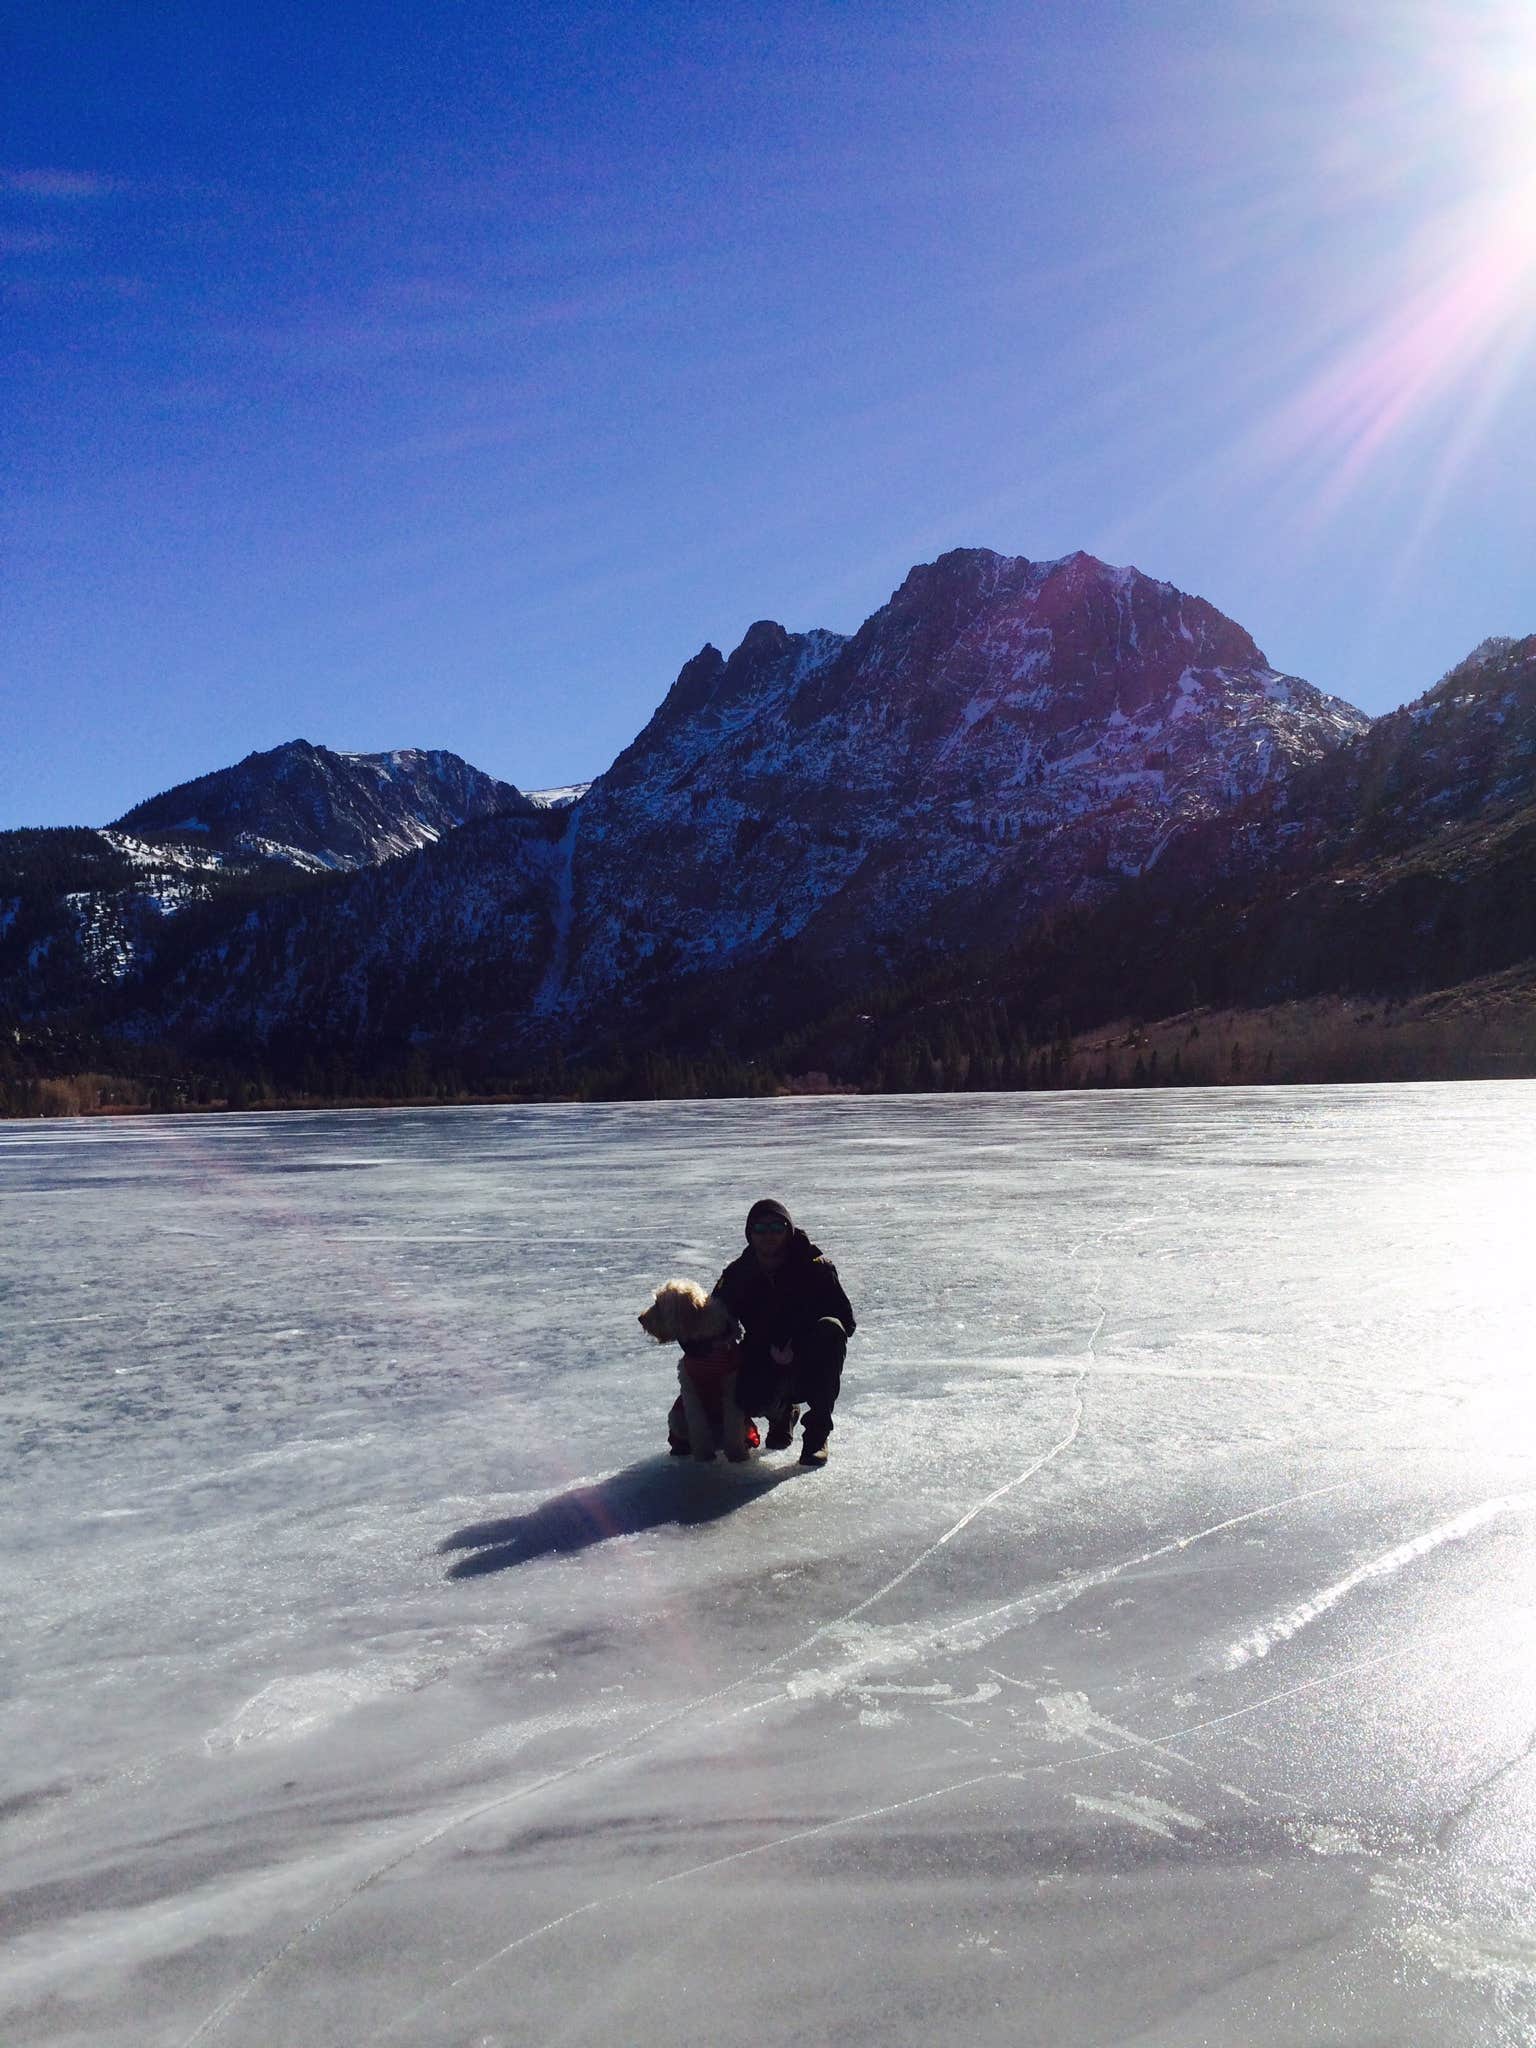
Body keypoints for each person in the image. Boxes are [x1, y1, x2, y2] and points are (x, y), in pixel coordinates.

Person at [712, 1198, 855, 1466]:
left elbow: (847, 1321)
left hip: (806, 1362)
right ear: (750, 1234)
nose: (769, 1235)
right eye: (760, 1228)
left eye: (777, 1227)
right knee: (744, 1395)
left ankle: (816, 1435)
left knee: (832, 1330)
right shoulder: (737, 1274)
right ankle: (781, 1413)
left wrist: (797, 1347)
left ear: (788, 1230)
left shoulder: (816, 1267)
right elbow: (713, 1319)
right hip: (762, 1357)